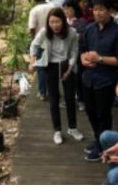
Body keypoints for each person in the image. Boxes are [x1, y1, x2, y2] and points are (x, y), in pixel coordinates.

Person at [79, 0, 118, 161]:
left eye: (101, 10)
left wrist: (99, 58)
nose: (97, 13)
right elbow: (82, 51)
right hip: (88, 79)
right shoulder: (89, 29)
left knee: (103, 114)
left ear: (110, 11)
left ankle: (105, 146)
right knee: (90, 111)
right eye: (95, 9)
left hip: (107, 80)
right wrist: (84, 60)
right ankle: (98, 139)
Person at [30, 8, 83, 145]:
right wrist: (32, 62)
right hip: (50, 65)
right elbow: (34, 46)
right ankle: (57, 130)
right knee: (54, 99)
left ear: (63, 21)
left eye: (57, 21)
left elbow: (74, 52)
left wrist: (69, 69)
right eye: (52, 22)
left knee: (70, 98)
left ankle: (72, 128)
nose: (55, 25)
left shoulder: (71, 32)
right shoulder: (44, 32)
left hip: (66, 65)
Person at [63, 0, 89, 111]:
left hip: (78, 55)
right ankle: (69, 99)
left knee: (79, 78)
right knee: (67, 78)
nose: (66, 11)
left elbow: (82, 38)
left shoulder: (81, 22)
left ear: (74, 9)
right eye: (64, 8)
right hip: (65, 56)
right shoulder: (63, 22)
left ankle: (81, 100)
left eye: (68, 8)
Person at [28, 0, 54, 101]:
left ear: (35, 0)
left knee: (41, 68)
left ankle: (43, 92)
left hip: (41, 42)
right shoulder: (53, 7)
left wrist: (33, 39)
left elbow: (32, 28)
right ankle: (52, 91)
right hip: (54, 40)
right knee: (52, 67)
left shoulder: (34, 10)